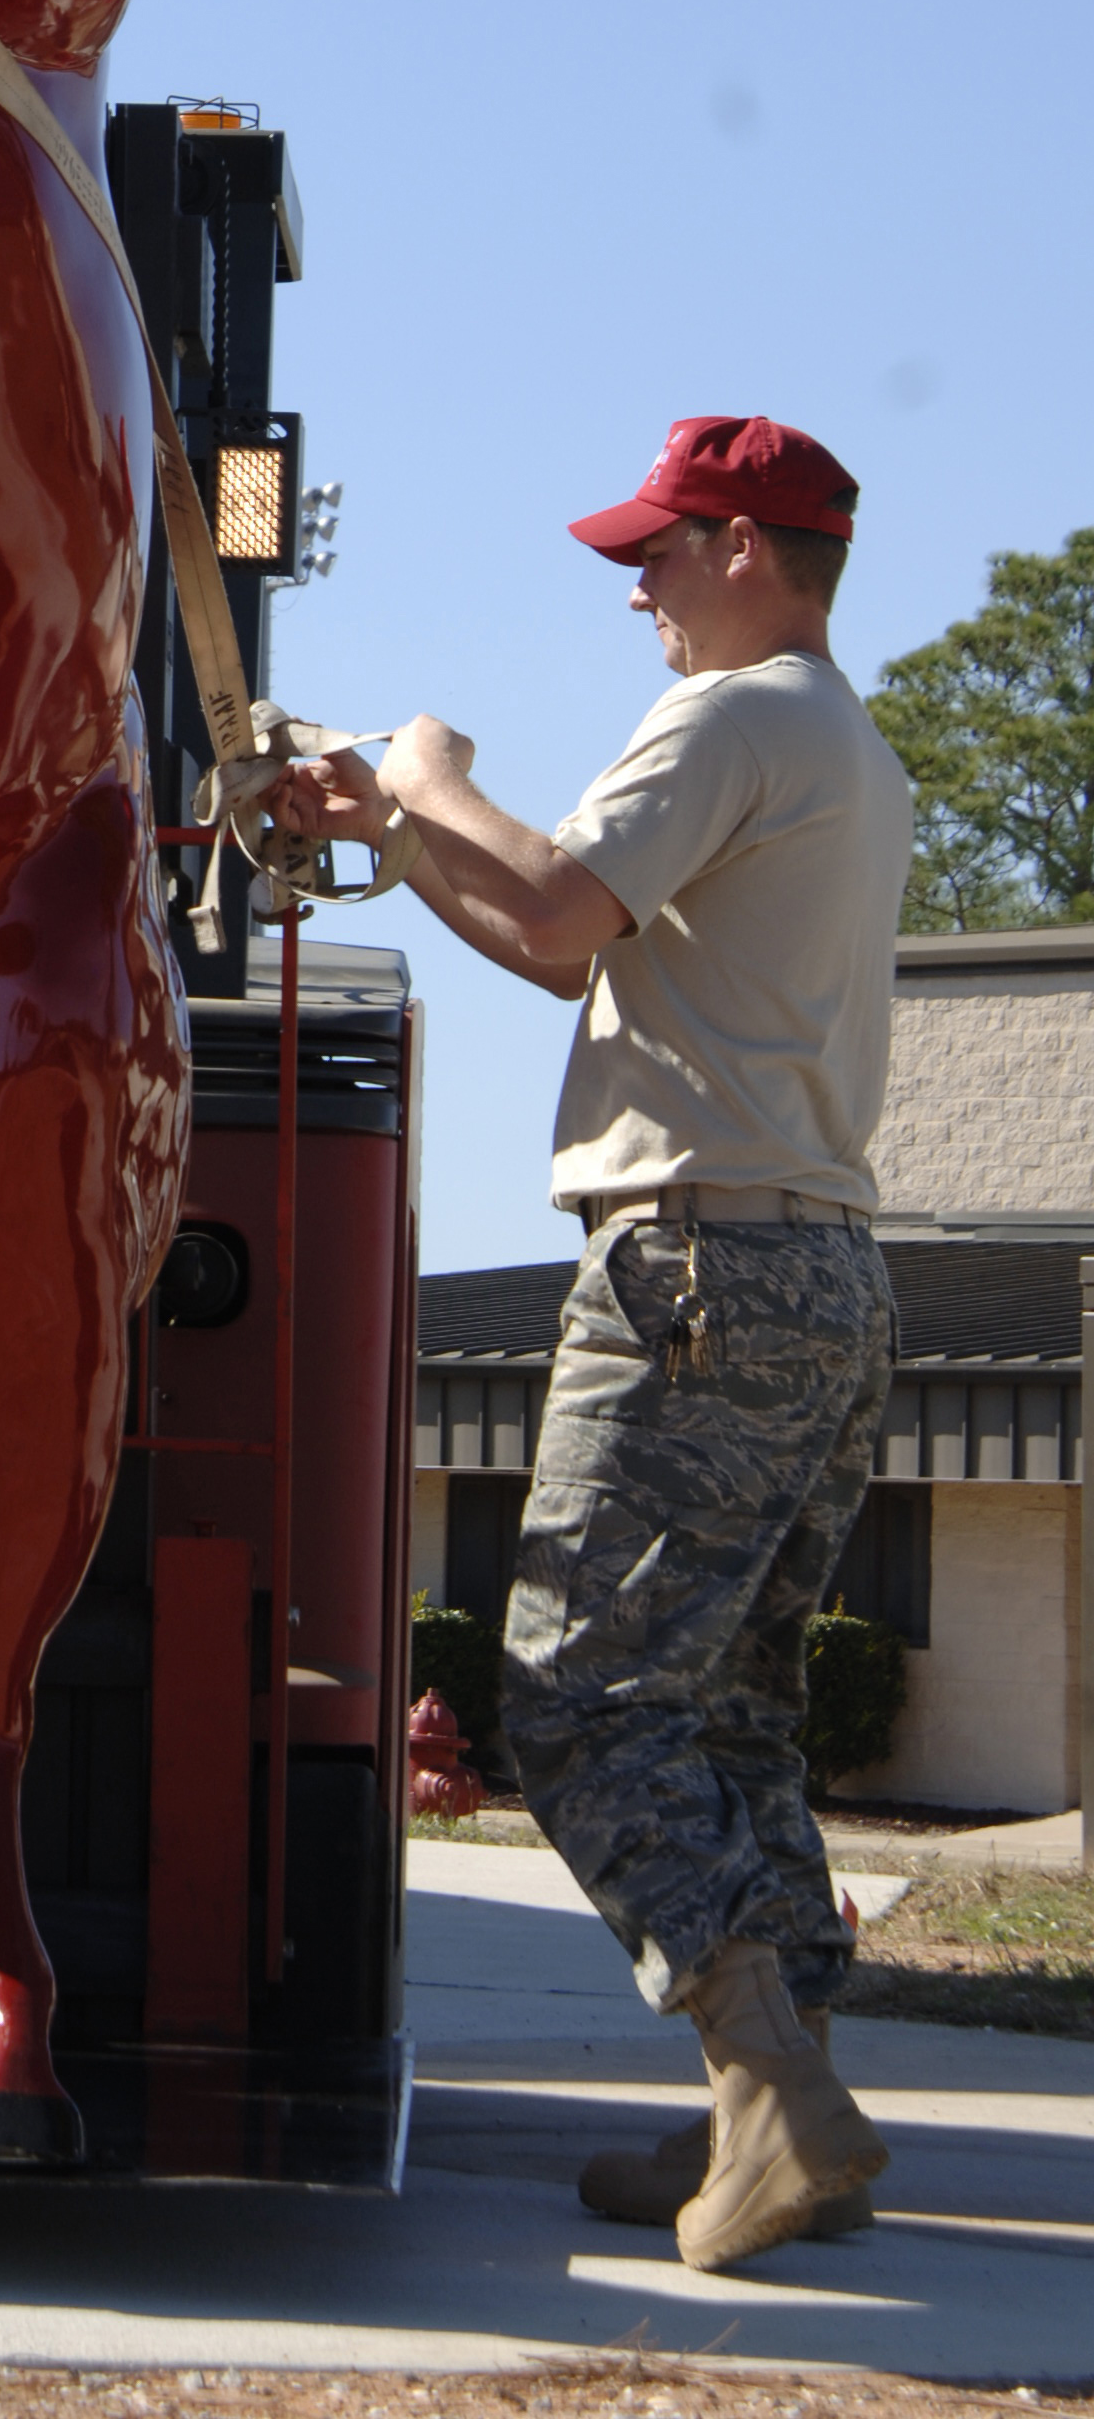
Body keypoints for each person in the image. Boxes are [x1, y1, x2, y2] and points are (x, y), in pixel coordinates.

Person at [288, 416, 912, 2275]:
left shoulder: (729, 716)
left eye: (657, 551)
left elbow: (558, 903)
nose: (635, 586)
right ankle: (782, 2102)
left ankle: (768, 2090)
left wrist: (425, 770)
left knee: (575, 1700)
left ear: (742, 545)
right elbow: (576, 950)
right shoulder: (846, 748)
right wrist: (401, 838)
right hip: (821, 1278)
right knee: (732, 1714)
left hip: (692, 1274)